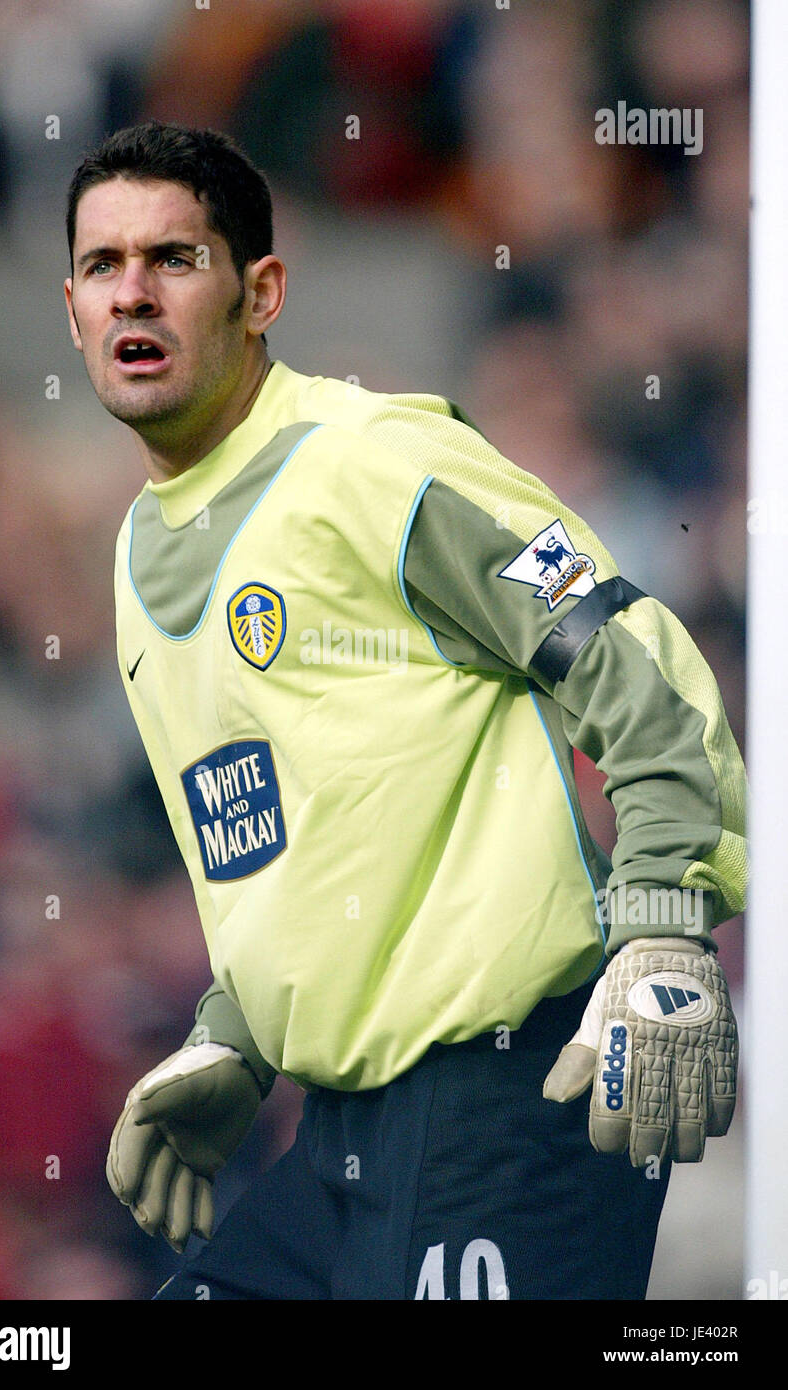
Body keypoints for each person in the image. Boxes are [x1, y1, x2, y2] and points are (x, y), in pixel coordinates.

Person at [64, 121, 745, 1301]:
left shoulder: (379, 461)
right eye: (102, 265)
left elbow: (628, 654)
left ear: (259, 291)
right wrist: (236, 1032)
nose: (134, 291)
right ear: (66, 306)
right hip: (339, 1136)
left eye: (174, 259)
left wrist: (663, 923)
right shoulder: (135, 557)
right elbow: (278, 836)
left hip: (511, 1101)